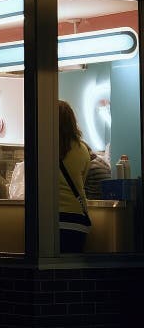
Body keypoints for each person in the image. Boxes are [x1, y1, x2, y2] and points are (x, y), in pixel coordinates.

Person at [58, 100, 91, 253]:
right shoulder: (82, 149)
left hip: (52, 219)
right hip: (78, 221)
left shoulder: (43, 147)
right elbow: (81, 182)